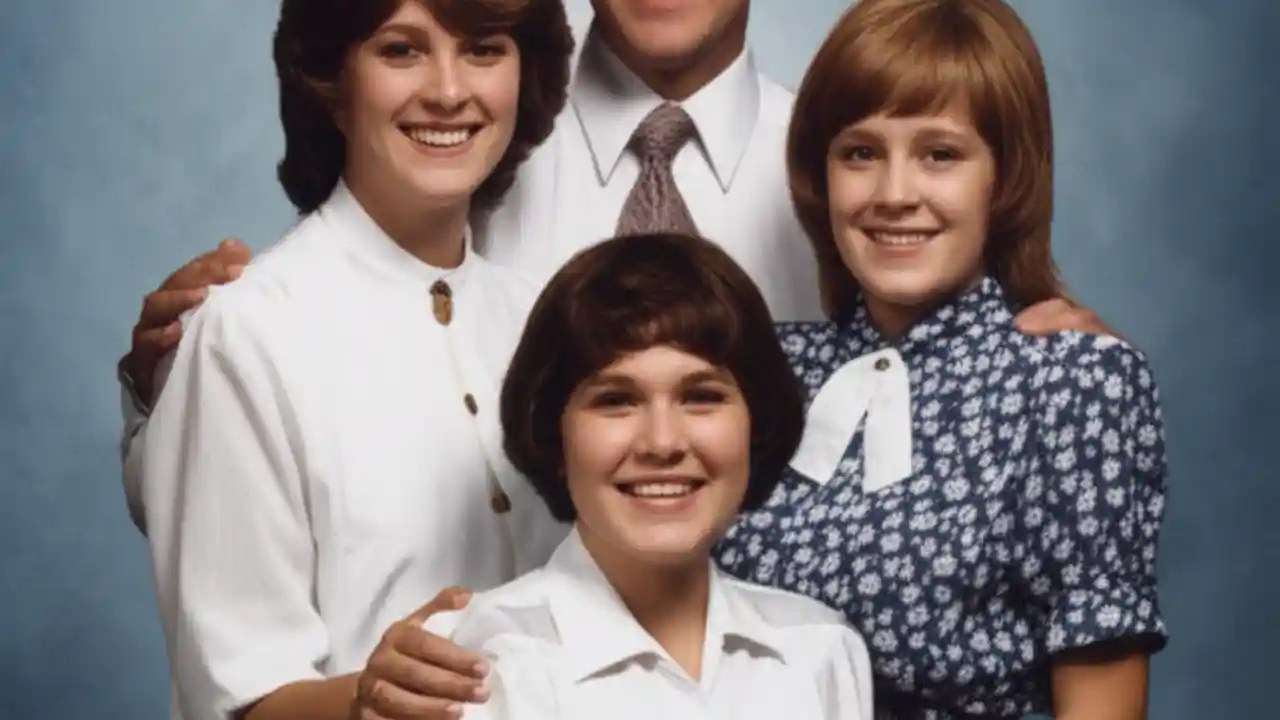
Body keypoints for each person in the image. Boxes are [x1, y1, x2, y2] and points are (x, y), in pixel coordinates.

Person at [116, 1, 1110, 528]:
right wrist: (175, 386)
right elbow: (307, 423)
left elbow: (947, 459)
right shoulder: (466, 136)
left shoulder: (848, 178)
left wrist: (1035, 354)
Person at [716, 0, 1168, 717]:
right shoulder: (765, 369)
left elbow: (1101, 699)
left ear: (1006, 178)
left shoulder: (1074, 382)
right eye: (861, 152)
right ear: (820, 176)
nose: (896, 195)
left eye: (940, 154)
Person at [137, 1, 573, 718]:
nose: (448, 89)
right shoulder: (245, 332)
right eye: (401, 51)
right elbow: (238, 697)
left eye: (484, 50)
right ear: (328, 82)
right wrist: (368, 695)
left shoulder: (550, 321)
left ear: (526, 78)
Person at [425, 231, 873, 719]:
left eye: (702, 396)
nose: (663, 442)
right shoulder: (471, 662)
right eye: (616, 400)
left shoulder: (820, 649)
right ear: (554, 435)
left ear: (755, 424)